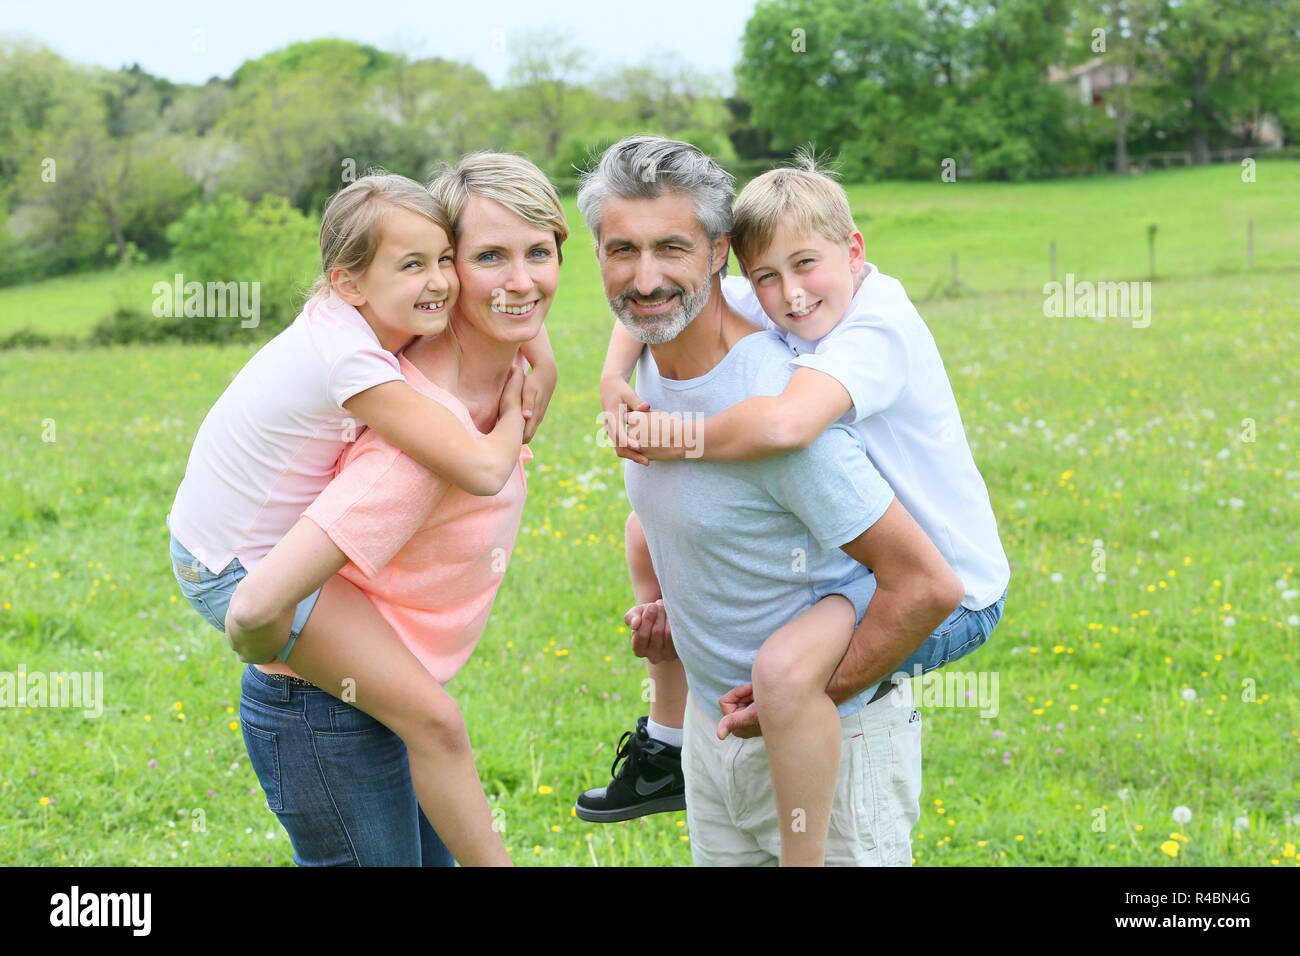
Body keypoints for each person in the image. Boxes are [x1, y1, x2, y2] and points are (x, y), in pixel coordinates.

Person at [582, 151, 1010, 864]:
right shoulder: (710, 314)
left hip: (939, 609)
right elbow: (645, 304)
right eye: (621, 250)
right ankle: (665, 739)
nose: (645, 277)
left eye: (671, 249)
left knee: (788, 672)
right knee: (641, 533)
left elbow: (924, 583)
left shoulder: (823, 375)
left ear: (715, 257)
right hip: (718, 744)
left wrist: (795, 698)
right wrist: (608, 375)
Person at [166, 158, 565, 863]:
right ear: (351, 282)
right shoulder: (408, 431)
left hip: (350, 689)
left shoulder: (392, 325)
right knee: (438, 724)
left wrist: (540, 360)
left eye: (541, 252)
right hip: (252, 596)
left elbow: (516, 306)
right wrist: (262, 642)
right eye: (489, 258)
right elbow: (258, 607)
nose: (522, 280)